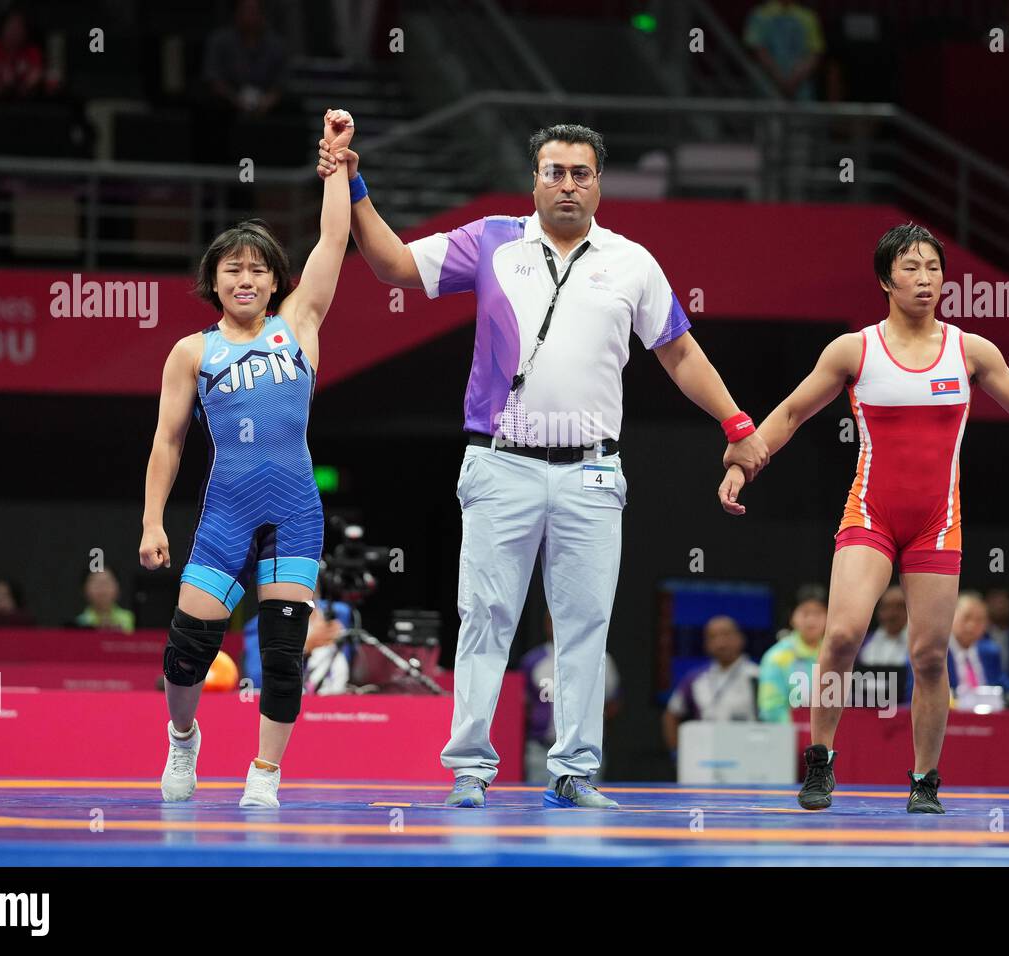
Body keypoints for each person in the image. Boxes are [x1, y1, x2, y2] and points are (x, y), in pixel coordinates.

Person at [317, 124, 770, 809]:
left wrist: (737, 423)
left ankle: (574, 770)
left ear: (598, 184)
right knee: (485, 616)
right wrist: (353, 183)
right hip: (502, 465)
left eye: (580, 173)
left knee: (586, 624)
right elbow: (392, 266)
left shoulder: (632, 263)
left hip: (592, 471)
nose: (566, 184)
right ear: (534, 181)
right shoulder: (492, 240)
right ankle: (470, 767)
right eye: (553, 171)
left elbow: (678, 351)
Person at [720, 222, 1009, 813]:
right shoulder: (854, 349)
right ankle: (821, 760)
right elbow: (793, 412)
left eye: (933, 268)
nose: (925, 279)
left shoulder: (970, 351)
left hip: (937, 522)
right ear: (885, 279)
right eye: (910, 268)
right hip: (870, 514)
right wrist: (743, 465)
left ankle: (924, 780)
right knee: (843, 634)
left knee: (929, 655)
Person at [139, 108, 354, 809]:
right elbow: (168, 441)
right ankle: (183, 739)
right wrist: (153, 523)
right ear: (215, 280)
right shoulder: (192, 353)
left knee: (286, 654)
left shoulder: (301, 326)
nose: (246, 280)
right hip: (225, 510)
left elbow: (332, 237)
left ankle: (264, 774)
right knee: (187, 651)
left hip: (295, 509)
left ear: (274, 282)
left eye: (258, 271)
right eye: (233, 270)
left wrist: (335, 163)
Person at [522, 611, 622, 785]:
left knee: (584, 808)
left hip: (583, 753)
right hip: (541, 751)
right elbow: (523, 705)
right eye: (552, 621)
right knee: (537, 805)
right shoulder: (533, 661)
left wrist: (593, 721)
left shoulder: (600, 658)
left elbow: (613, 702)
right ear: (546, 624)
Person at [663, 615, 755, 754]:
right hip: (704, 757)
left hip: (746, 754)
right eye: (712, 637)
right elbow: (671, 714)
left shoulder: (757, 675)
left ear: (740, 638)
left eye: (726, 635)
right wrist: (677, 752)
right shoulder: (695, 678)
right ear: (706, 644)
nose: (720, 643)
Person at [202, 0, 289, 116]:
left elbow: (282, 81)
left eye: (254, 11)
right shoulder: (219, 41)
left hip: (266, 103)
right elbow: (212, 77)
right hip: (228, 104)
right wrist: (236, 100)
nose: (249, 16)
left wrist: (267, 101)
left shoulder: (276, 45)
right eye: (245, 11)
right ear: (236, 13)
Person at [757, 587, 827, 722]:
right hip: (790, 737)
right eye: (805, 613)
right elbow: (770, 709)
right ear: (792, 617)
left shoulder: (839, 655)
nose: (811, 620)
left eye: (818, 613)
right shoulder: (776, 657)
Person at [0, 4, 51, 105]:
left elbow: (35, 80)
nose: (15, 32)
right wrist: (3, 91)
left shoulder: (32, 51)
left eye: (20, 27)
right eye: (11, 26)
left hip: (22, 105)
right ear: (2, 27)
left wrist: (31, 84)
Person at [743, 1, 825, 101]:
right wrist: (778, 77)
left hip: (800, 91)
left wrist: (796, 77)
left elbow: (814, 52)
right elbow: (757, 48)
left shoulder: (807, 17)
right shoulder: (760, 15)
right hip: (767, 89)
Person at [945, 591, 1009, 693]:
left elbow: (1005, 687)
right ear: (951, 616)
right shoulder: (937, 653)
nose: (971, 626)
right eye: (966, 618)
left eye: (979, 620)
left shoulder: (991, 652)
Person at [858, 584, 908, 667]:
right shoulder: (863, 642)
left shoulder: (919, 644)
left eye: (899, 607)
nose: (892, 614)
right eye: (886, 607)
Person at [74, 569, 135, 633]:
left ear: (118, 588)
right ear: (85, 589)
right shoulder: (80, 622)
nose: (102, 589)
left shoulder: (130, 618)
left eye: (107, 583)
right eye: (96, 583)